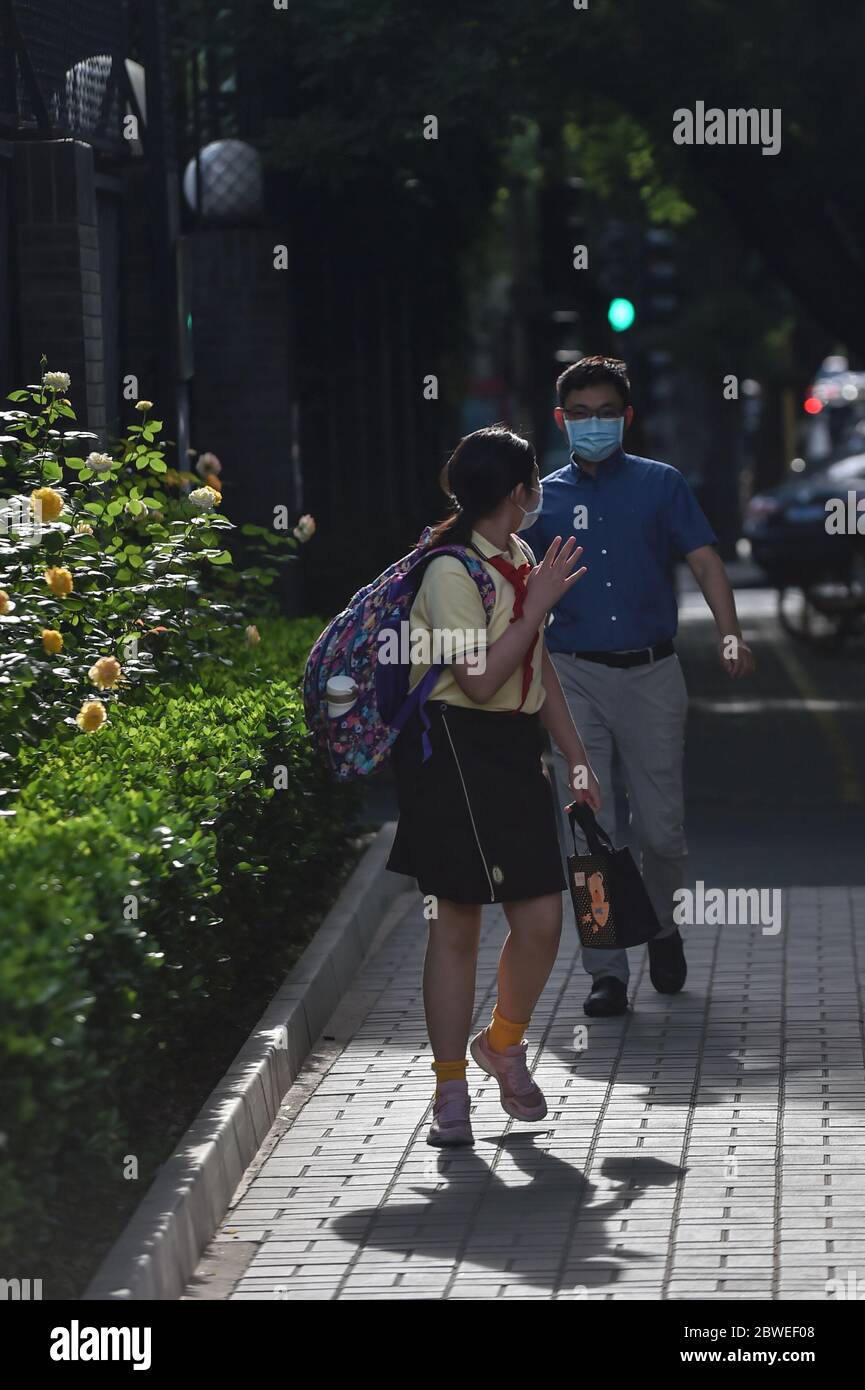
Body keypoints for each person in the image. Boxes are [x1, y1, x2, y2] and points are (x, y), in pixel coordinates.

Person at [386, 425, 601, 1146]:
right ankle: (451, 1088)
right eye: (533, 481)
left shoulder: (520, 556)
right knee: (459, 925)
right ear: (518, 492)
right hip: (454, 750)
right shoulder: (451, 571)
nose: (537, 492)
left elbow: (536, 673)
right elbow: (477, 679)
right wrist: (536, 605)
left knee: (540, 921)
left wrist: (575, 757)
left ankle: (500, 1043)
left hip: (513, 752)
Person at [531, 356, 755, 1018]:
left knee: (660, 832)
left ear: (626, 419)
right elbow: (509, 582)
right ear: (560, 420)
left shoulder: (661, 485)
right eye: (580, 414)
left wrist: (729, 633)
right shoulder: (540, 500)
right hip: (571, 677)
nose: (592, 424)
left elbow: (705, 560)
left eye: (605, 413)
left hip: (653, 673)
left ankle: (659, 925)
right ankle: (605, 969)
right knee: (586, 830)